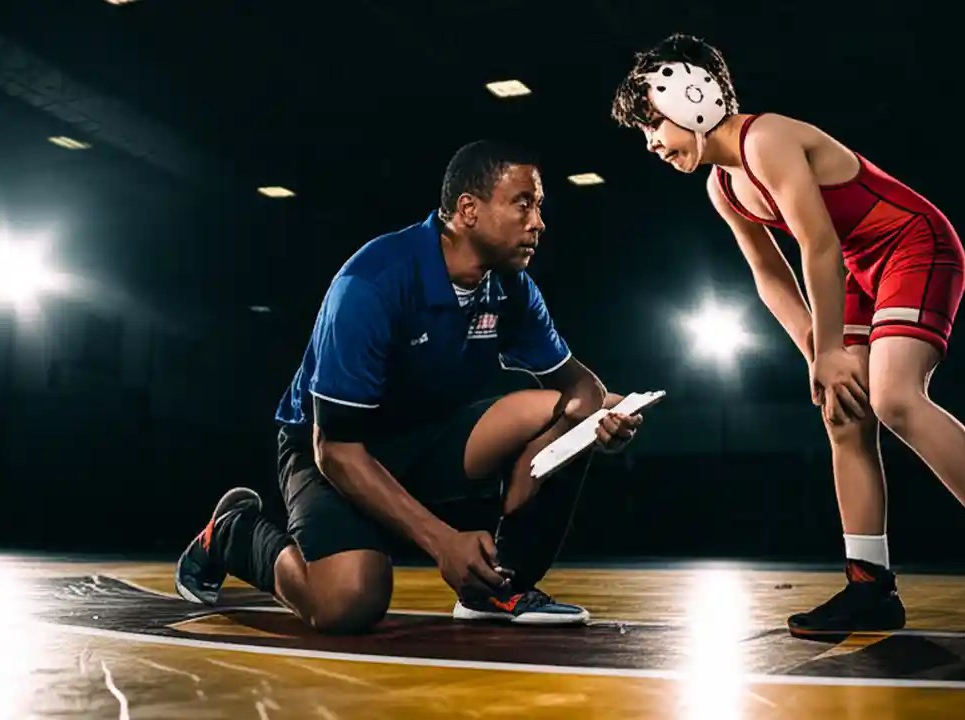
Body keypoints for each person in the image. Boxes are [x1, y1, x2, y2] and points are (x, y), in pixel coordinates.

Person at [610, 34, 965, 643]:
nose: (651, 143)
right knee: (844, 412)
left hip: (910, 242)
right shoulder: (721, 185)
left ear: (692, 97)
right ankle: (869, 587)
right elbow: (769, 276)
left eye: (652, 124)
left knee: (894, 398)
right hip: (857, 264)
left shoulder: (766, 137)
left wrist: (832, 349)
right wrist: (816, 351)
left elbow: (817, 242)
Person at [174, 140, 643, 633]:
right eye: (523, 204)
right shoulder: (372, 283)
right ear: (468, 210)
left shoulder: (510, 285)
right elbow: (335, 448)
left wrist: (602, 419)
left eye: (539, 207)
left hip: (428, 432)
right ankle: (233, 532)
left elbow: (580, 388)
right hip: (333, 448)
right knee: (347, 602)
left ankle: (499, 587)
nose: (538, 222)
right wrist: (443, 542)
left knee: (571, 413)